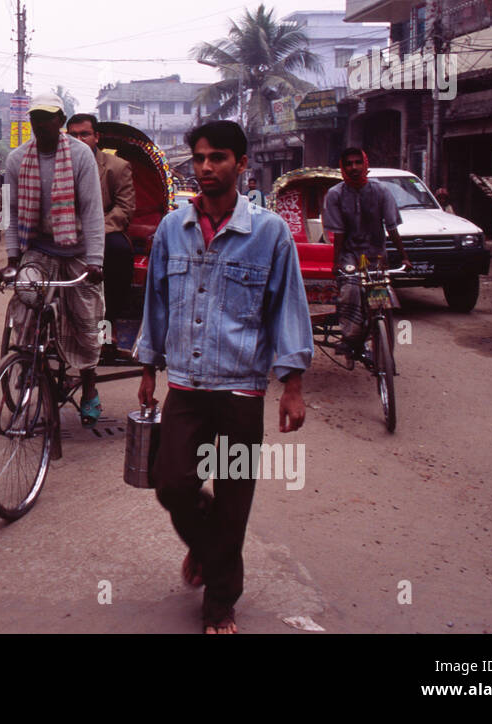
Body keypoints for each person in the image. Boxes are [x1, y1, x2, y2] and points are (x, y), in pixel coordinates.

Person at [136, 120, 312, 635]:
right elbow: (157, 303)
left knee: (234, 500)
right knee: (171, 485)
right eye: (200, 158)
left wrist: (293, 385)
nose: (207, 167)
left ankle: (219, 605)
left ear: (241, 165)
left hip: (240, 389)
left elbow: (288, 309)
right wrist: (148, 368)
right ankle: (210, 548)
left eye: (218, 158)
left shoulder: (269, 233)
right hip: (187, 385)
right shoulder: (173, 228)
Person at [0, 93, 106, 424]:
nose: (40, 124)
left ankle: (89, 386)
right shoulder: (16, 160)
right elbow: (12, 216)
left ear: (59, 120)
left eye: (47, 118)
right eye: (35, 118)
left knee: (87, 320)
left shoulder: (80, 155)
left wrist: (96, 261)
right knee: (26, 302)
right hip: (39, 248)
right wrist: (13, 260)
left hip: (77, 249)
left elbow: (92, 210)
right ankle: (28, 366)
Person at [322, 148, 412, 366]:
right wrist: (336, 264)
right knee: (351, 289)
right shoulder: (335, 194)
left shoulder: (381, 192)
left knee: (379, 295)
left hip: (376, 254)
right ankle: (350, 338)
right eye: (349, 164)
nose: (354, 168)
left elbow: (391, 228)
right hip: (350, 255)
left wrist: (404, 258)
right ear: (343, 167)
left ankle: (378, 338)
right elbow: (339, 233)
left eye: (357, 163)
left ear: (365, 164)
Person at [66, 113, 136, 328]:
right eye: (73, 135)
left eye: (84, 134)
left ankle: (108, 323)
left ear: (96, 137)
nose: (79, 140)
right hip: (64, 229)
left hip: (103, 230)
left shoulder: (117, 166)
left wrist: (93, 231)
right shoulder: (58, 165)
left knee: (119, 250)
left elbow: (124, 208)